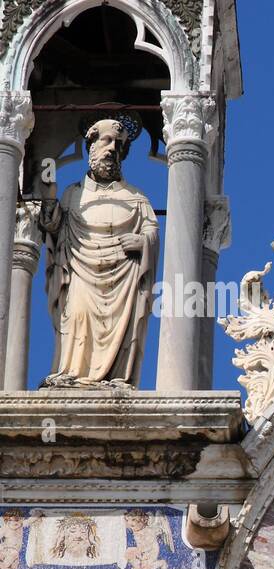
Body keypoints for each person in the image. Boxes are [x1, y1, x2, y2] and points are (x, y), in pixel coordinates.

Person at [40, 118, 159, 387]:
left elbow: (152, 230)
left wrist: (143, 243)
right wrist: (49, 196)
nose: (112, 149)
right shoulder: (72, 195)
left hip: (123, 282)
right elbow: (52, 226)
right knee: (78, 314)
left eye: (119, 145)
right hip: (80, 271)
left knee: (121, 327)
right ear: (91, 145)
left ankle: (116, 376)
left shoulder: (137, 199)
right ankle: (71, 373)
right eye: (106, 141)